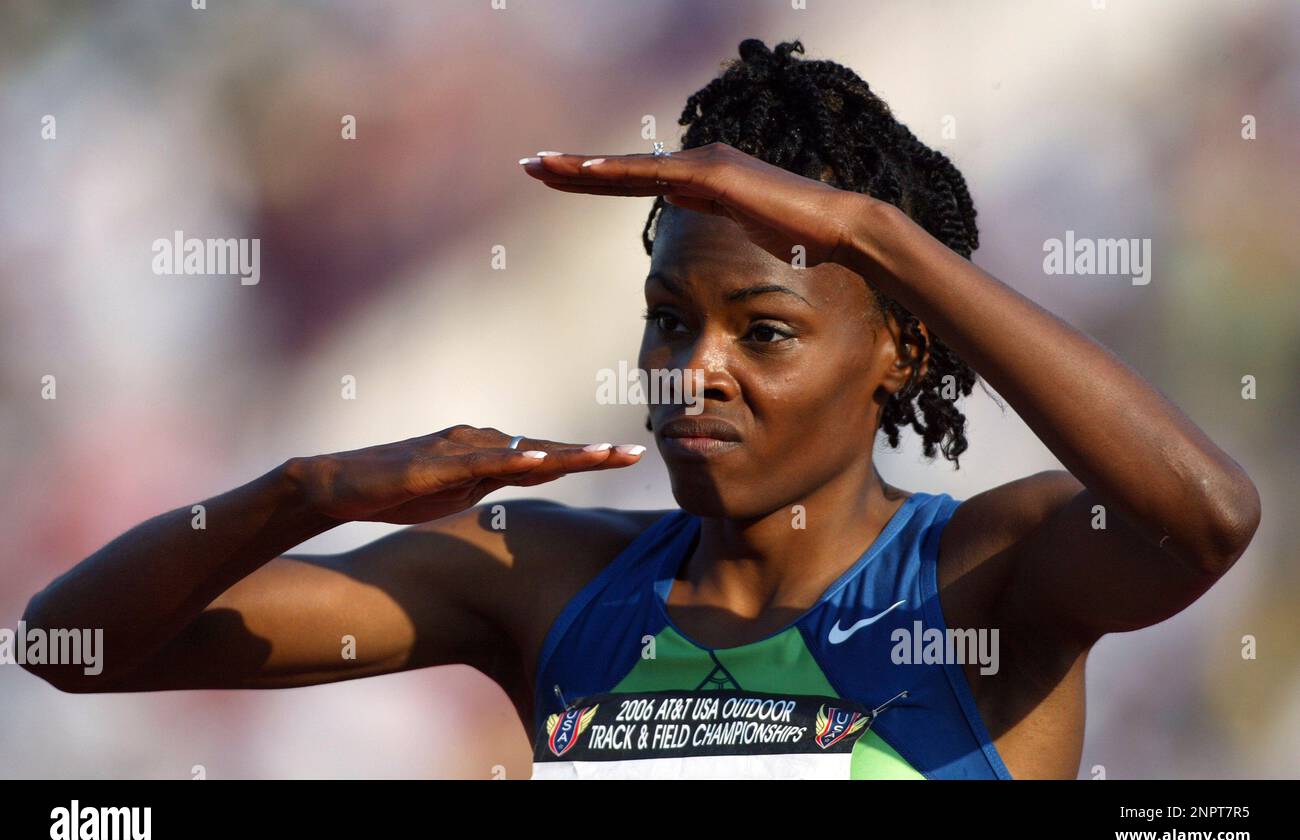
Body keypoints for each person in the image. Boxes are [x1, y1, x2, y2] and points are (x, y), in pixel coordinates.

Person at [22, 39, 1260, 779]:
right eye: (671, 318)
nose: (693, 370)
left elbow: (1204, 516)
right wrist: (299, 494)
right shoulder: (545, 583)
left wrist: (866, 230)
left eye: (763, 331)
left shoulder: (984, 578)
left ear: (897, 349)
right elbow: (68, 648)